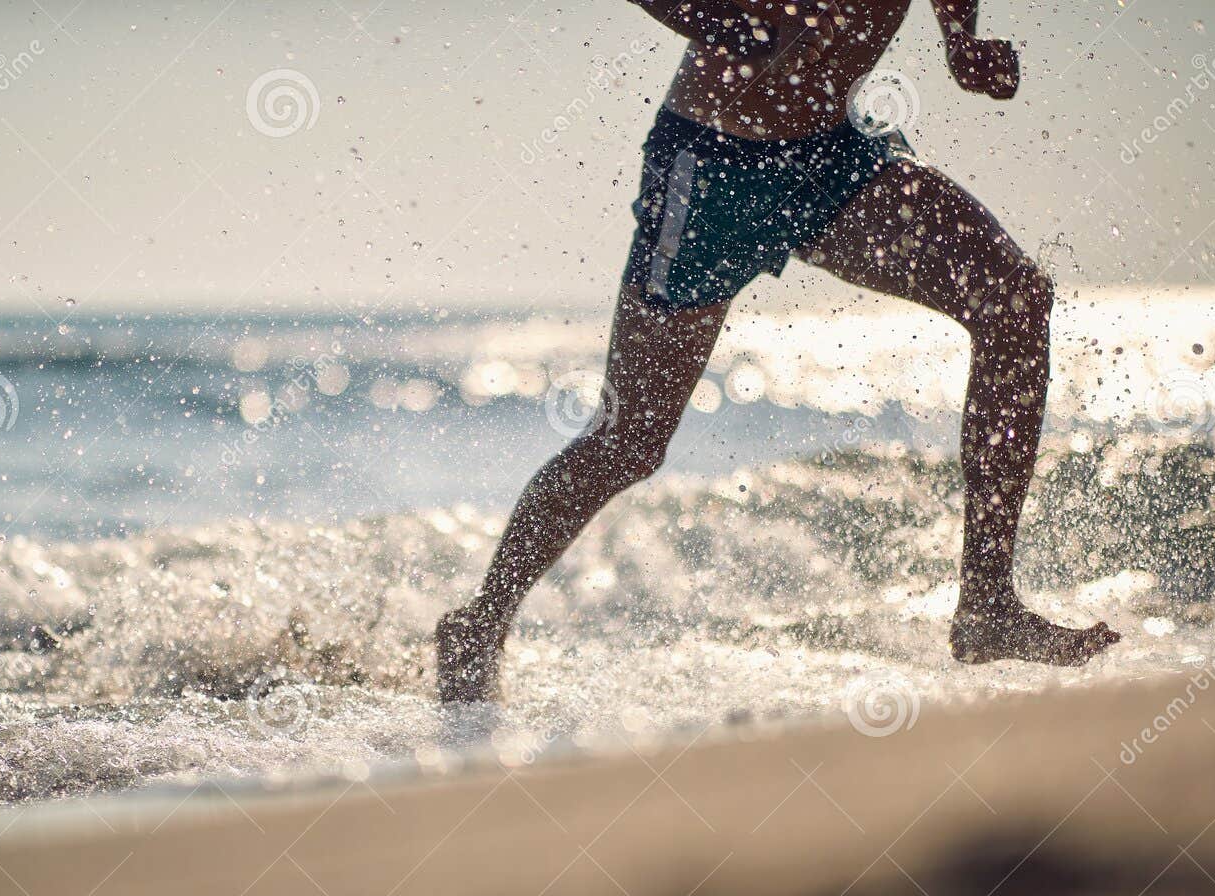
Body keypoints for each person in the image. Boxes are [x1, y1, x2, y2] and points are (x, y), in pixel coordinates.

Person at [436, 0, 1120, 703]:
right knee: (629, 441)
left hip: (833, 158)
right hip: (712, 167)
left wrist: (960, 39)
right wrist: (727, 22)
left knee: (1014, 300)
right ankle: (481, 623)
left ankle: (987, 606)